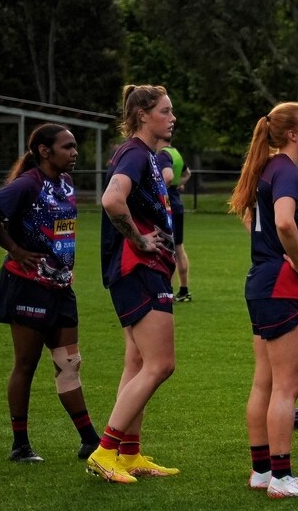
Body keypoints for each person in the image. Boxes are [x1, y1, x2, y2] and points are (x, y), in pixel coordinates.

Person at [0, 124, 102, 463]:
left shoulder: (67, 184)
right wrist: (14, 249)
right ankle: (20, 445)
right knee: (26, 364)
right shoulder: (28, 184)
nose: (74, 153)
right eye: (67, 147)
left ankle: (90, 441)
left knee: (69, 363)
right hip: (27, 284)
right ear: (45, 151)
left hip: (60, 286)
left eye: (75, 147)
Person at [228, 102, 298, 498]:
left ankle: (262, 471)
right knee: (286, 386)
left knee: (266, 383)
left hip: (262, 282)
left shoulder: (268, 168)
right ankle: (282, 478)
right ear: (291, 134)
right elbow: (285, 221)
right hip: (283, 284)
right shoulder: (286, 170)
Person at [89, 85, 180, 484]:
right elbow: (112, 200)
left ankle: (128, 453)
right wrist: (140, 241)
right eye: (165, 111)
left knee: (138, 362)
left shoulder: (146, 155)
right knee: (161, 364)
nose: (172, 117)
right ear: (143, 115)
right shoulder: (134, 153)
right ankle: (105, 451)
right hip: (136, 268)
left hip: (147, 268)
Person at [156, 141, 193, 302]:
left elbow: (168, 177)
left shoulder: (162, 154)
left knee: (166, 248)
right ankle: (184, 290)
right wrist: (179, 185)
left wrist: (156, 191)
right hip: (177, 202)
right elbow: (187, 173)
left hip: (167, 205)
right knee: (178, 247)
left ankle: (167, 291)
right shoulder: (175, 152)